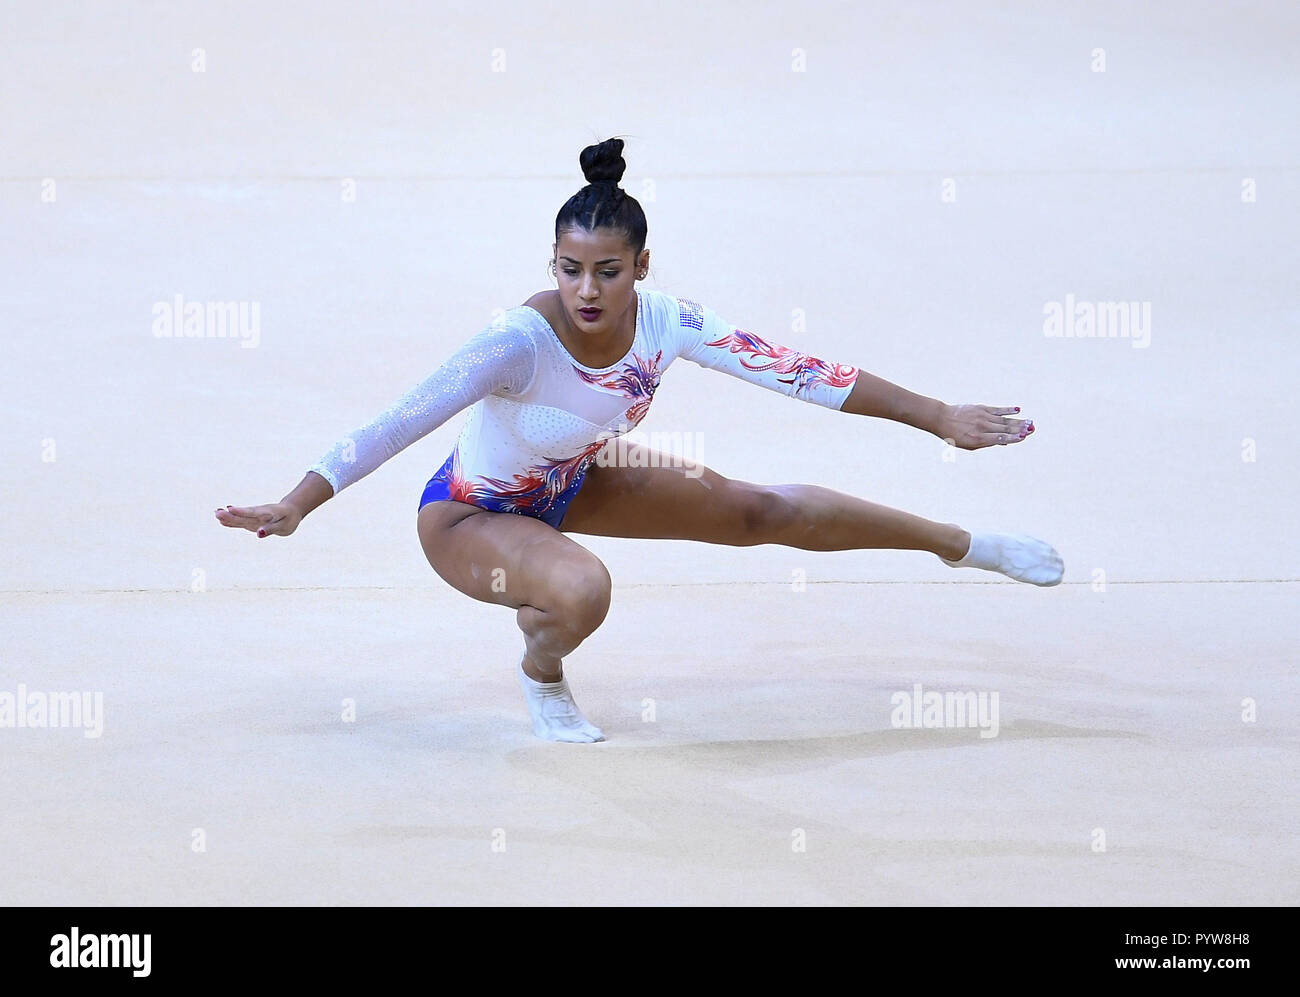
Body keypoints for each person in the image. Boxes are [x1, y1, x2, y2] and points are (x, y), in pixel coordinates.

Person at [215, 137, 1063, 744]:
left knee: (760, 507)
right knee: (583, 588)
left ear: (642, 266)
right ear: (552, 262)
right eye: (570, 268)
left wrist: (940, 415)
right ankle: (542, 674)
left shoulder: (671, 322)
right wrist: (296, 503)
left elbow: (802, 371)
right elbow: (396, 421)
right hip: (472, 514)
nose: (588, 289)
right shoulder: (514, 342)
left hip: (578, 476)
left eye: (608, 270)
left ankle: (964, 545)